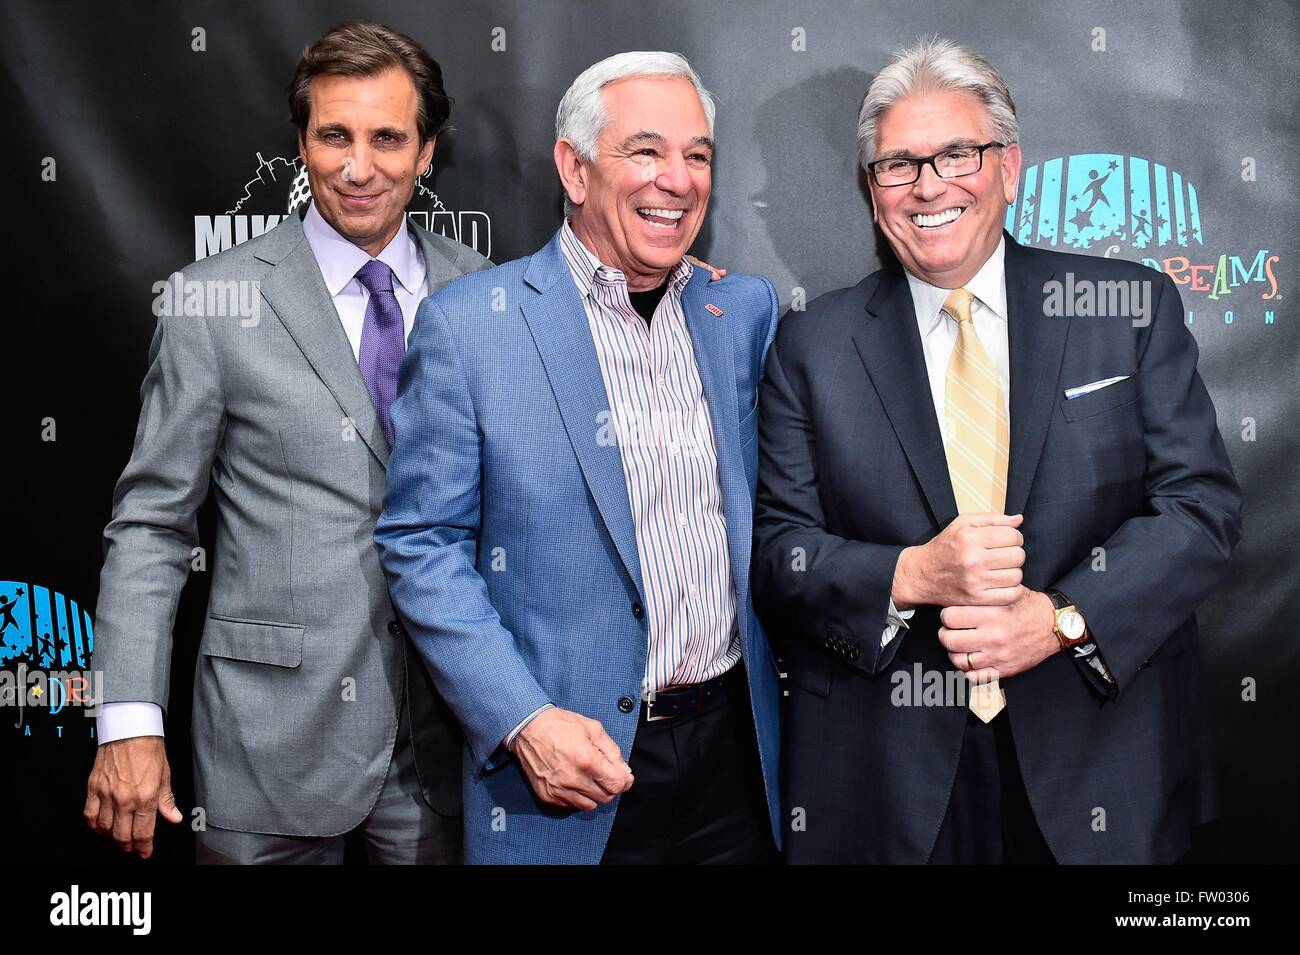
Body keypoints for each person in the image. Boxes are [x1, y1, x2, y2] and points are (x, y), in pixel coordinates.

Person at [753, 37, 1242, 864]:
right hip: (887, 782)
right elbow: (779, 553)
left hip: (1098, 757)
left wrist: (1060, 619)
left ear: (1009, 168)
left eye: (957, 153)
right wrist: (913, 574)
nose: (930, 185)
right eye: (899, 165)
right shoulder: (811, 345)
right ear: (874, 193)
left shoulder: (1123, 309)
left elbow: (1200, 510)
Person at [84, 21, 490, 864]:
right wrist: (127, 717)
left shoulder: (488, 295)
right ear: (301, 142)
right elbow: (152, 527)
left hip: (448, 742)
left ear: (427, 153)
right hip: (266, 745)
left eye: (387, 138)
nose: (357, 165)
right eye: (333, 134)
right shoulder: (213, 304)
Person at [376, 51, 782, 864]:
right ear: (574, 166)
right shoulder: (471, 327)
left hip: (735, 762)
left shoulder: (740, 310)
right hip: (563, 777)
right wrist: (521, 719)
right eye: (645, 151)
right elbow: (421, 542)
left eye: (697, 155)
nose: (677, 179)